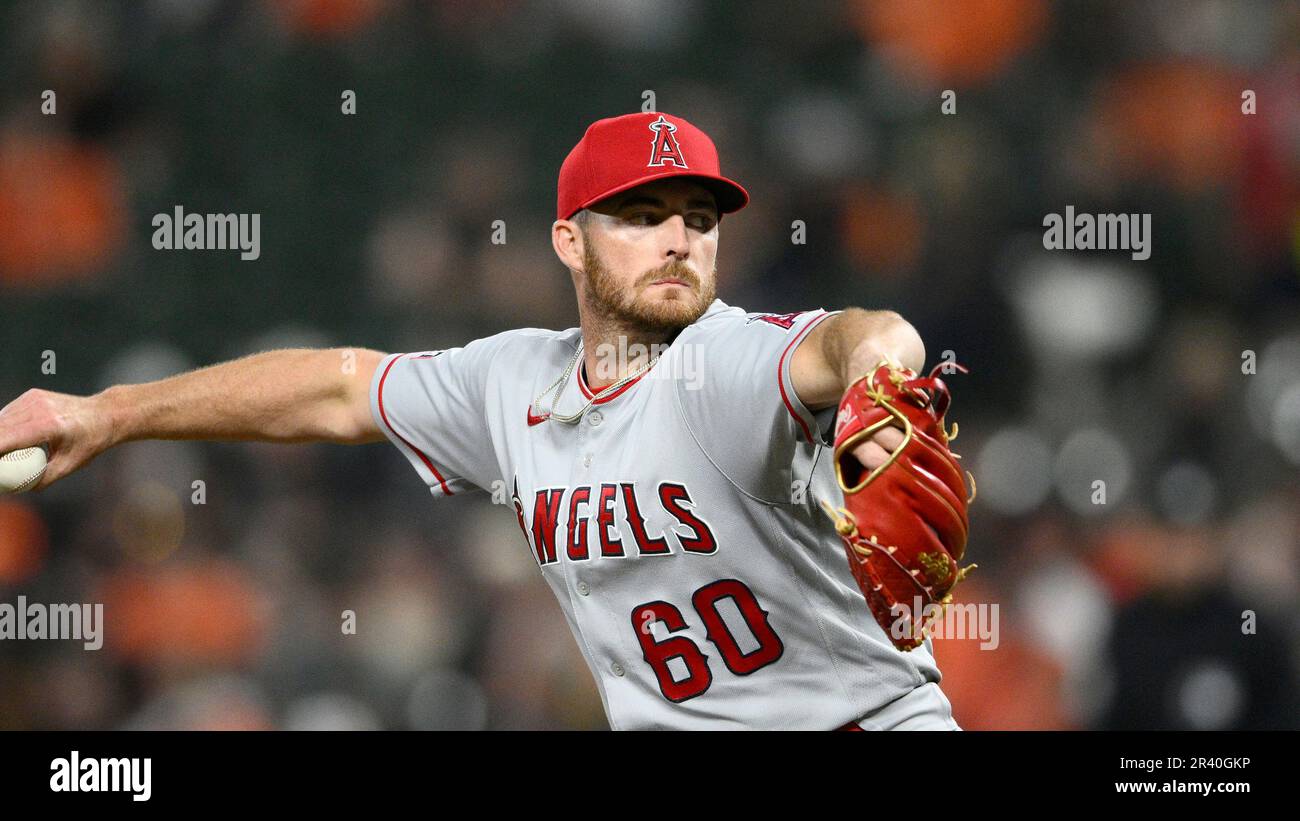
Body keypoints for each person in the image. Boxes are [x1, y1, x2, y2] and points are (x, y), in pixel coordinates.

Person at [0, 112, 960, 730]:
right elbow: (336, 388)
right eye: (640, 212)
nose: (678, 237)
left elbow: (854, 338)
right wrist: (111, 414)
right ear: (567, 242)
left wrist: (881, 366)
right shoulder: (513, 380)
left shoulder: (731, 363)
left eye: (698, 217)